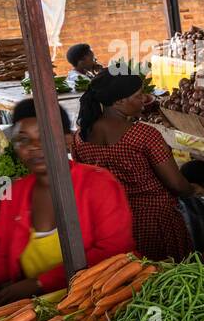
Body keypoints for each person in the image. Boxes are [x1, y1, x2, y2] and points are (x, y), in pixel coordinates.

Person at [0, 100, 133, 304]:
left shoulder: (98, 183)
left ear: (67, 139)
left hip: (101, 301)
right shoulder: (14, 194)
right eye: (23, 139)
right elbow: (6, 260)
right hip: (40, 309)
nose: (34, 147)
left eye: (44, 136)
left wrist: (39, 283)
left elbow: (114, 252)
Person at [70, 72, 197, 262]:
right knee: (166, 277)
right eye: (138, 96)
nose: (144, 100)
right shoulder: (143, 134)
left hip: (111, 224)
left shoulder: (80, 137)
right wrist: (193, 189)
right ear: (119, 102)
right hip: (155, 222)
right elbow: (176, 184)